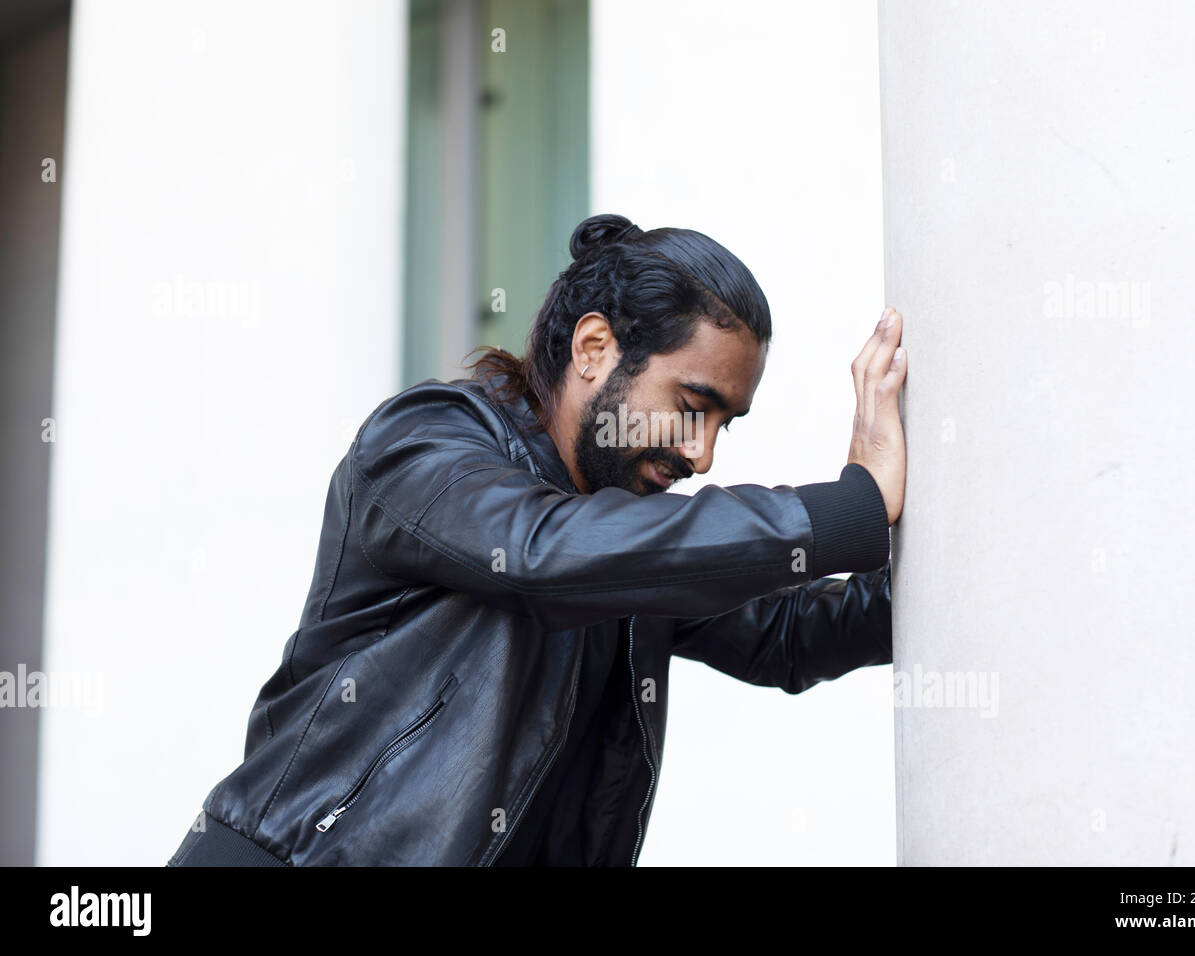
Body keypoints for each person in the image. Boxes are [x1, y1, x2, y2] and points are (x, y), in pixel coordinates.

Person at [166, 213, 908, 867]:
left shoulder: (626, 541)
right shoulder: (424, 441)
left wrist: (978, 573)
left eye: (724, 425)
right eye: (692, 406)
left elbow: (787, 631)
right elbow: (537, 554)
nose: (702, 453)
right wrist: (850, 506)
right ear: (594, 347)